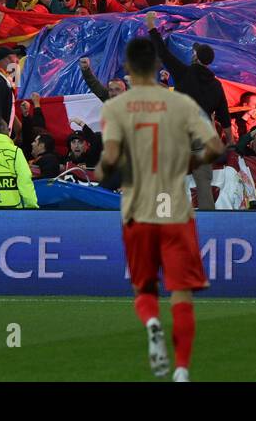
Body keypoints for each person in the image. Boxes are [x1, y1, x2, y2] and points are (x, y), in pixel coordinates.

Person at [96, 34, 224, 383]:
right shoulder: (181, 104)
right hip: (176, 211)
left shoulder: (115, 108)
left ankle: (152, 324)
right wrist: (190, 162)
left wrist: (100, 170)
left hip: (137, 208)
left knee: (145, 288)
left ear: (126, 68)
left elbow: (108, 158)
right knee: (181, 292)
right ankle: (181, 369)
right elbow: (216, 145)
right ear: (157, 67)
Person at [145, 12, 229, 210]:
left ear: (195, 57)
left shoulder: (185, 73)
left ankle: (164, 214)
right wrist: (231, 143)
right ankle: (208, 221)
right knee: (203, 184)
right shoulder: (217, 85)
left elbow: (163, 53)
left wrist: (151, 28)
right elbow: (224, 117)